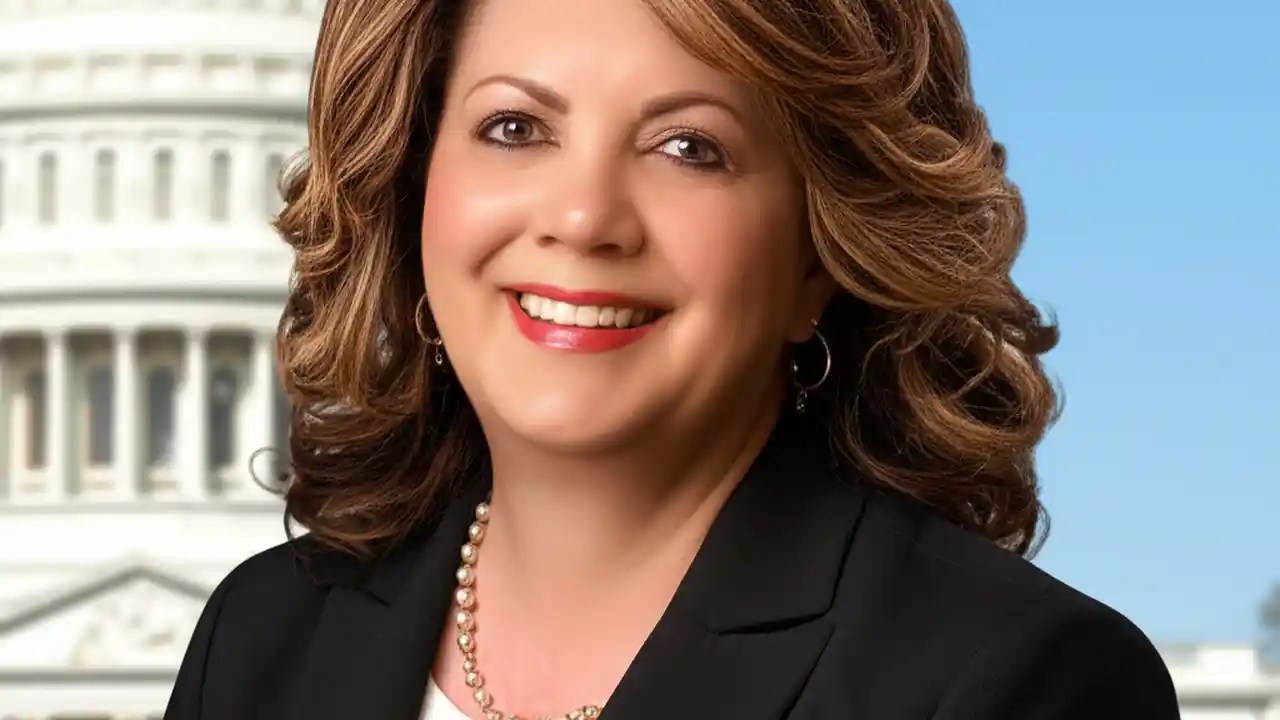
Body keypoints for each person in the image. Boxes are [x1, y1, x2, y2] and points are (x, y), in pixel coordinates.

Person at [165, 0, 1181, 718]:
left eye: (689, 147)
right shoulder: (262, 642)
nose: (582, 218)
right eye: (514, 128)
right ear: (412, 191)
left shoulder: (1012, 682)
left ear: (818, 259)